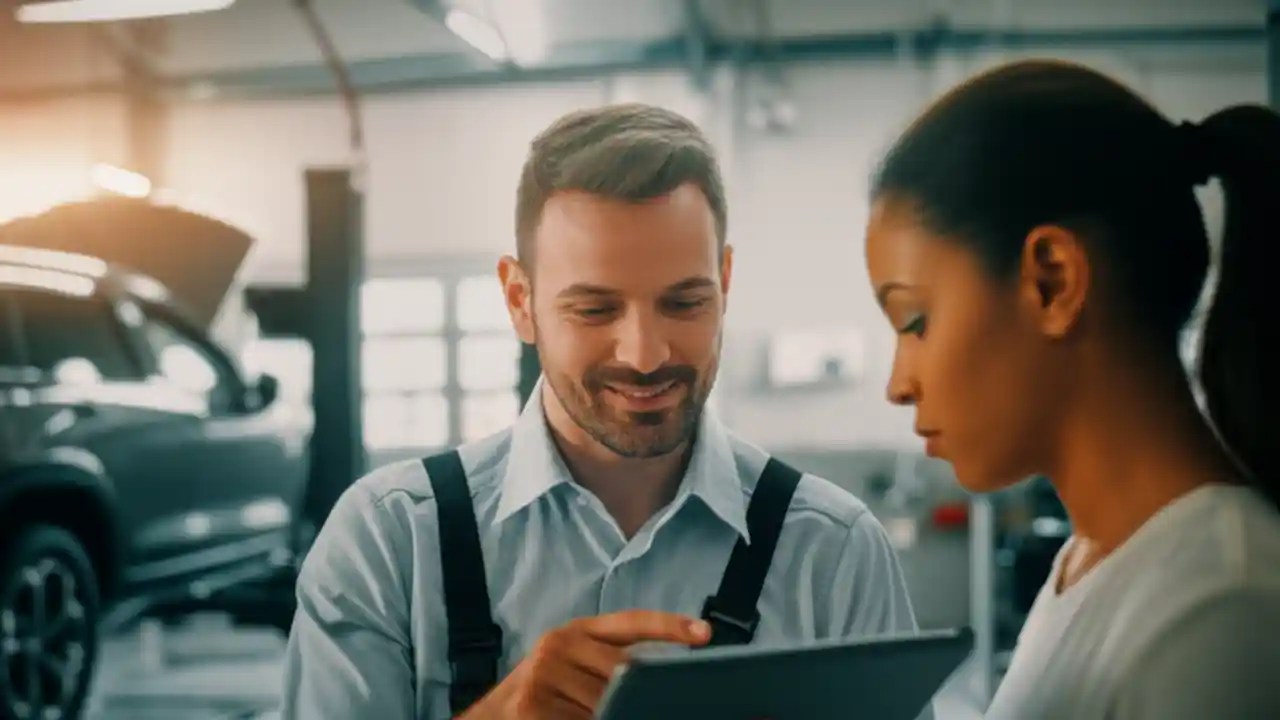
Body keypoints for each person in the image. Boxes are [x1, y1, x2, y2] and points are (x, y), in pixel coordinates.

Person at [281, 103, 923, 720]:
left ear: (725, 284)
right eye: (594, 310)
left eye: (685, 303)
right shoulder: (389, 544)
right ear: (519, 300)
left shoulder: (834, 552)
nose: (645, 355)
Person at [864, 58, 1280, 719]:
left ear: (1052, 282)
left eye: (915, 321)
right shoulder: (1089, 563)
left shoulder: (1218, 611)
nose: (897, 385)